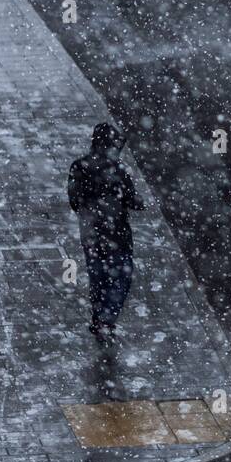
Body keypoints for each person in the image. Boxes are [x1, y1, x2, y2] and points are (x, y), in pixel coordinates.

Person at [68, 123, 144, 343]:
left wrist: (90, 211)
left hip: (91, 232)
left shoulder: (79, 167)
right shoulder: (118, 169)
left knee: (97, 275)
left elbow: (74, 199)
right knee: (120, 276)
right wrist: (136, 202)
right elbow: (131, 199)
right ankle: (107, 319)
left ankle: (98, 316)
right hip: (117, 233)